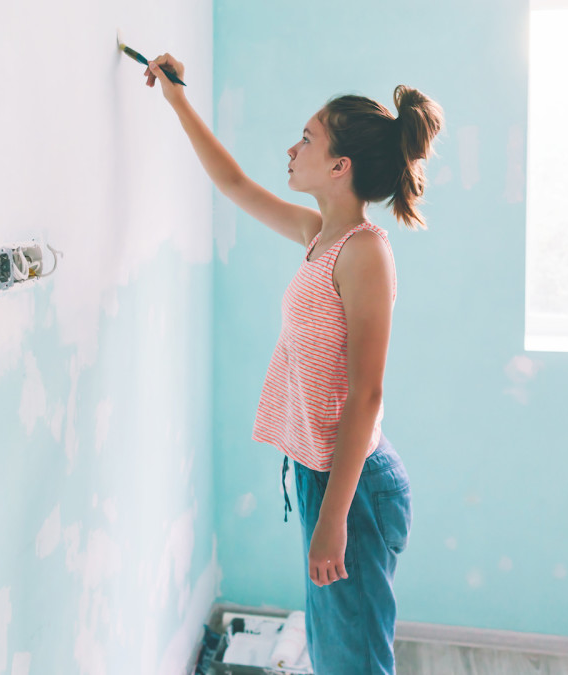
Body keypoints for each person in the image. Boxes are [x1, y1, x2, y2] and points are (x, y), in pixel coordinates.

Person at [143, 54, 443, 674]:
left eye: (306, 138)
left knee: (354, 662)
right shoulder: (321, 237)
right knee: (338, 656)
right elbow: (234, 186)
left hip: (353, 489)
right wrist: (177, 102)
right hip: (322, 475)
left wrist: (332, 522)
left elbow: (366, 395)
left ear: (340, 166)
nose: (291, 148)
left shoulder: (364, 255)